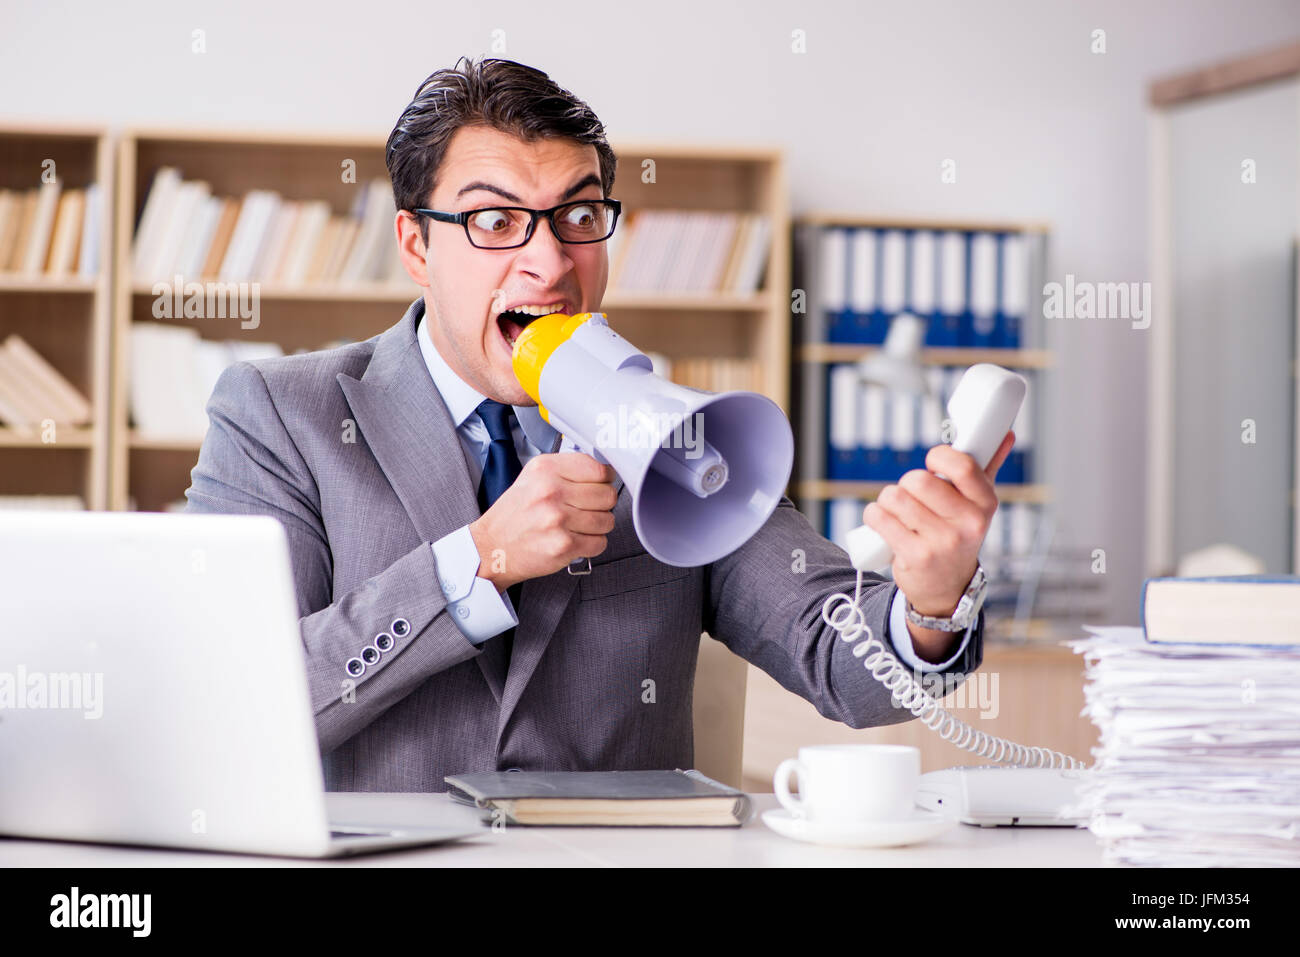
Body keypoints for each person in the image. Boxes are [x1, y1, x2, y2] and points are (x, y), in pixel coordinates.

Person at [185, 56, 1013, 791]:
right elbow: (239, 704)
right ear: (415, 246)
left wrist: (931, 604)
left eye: (579, 217)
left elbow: (844, 662)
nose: (549, 262)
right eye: (495, 221)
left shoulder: (676, 433)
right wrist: (477, 563)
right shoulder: (279, 414)